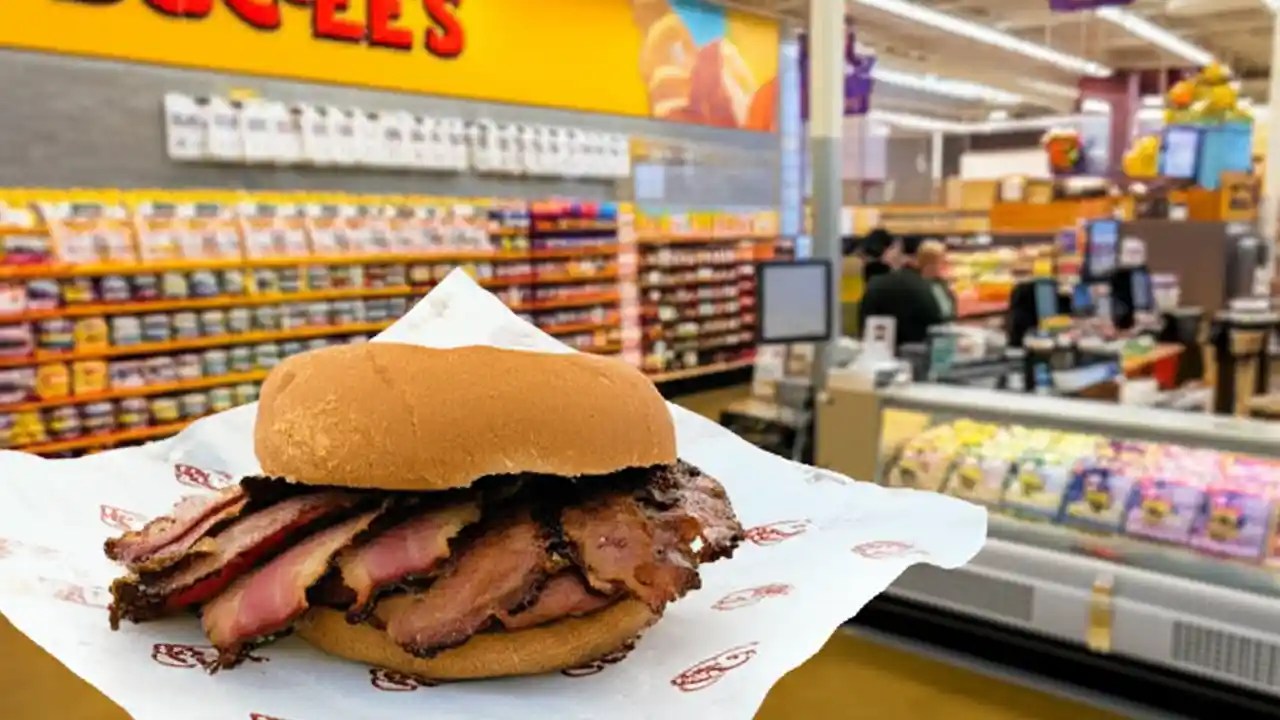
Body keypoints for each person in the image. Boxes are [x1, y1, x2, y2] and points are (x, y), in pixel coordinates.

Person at [858, 236, 953, 347]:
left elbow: (866, 326)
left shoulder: (877, 284)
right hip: (930, 354)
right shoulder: (935, 286)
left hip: (884, 356)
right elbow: (947, 319)